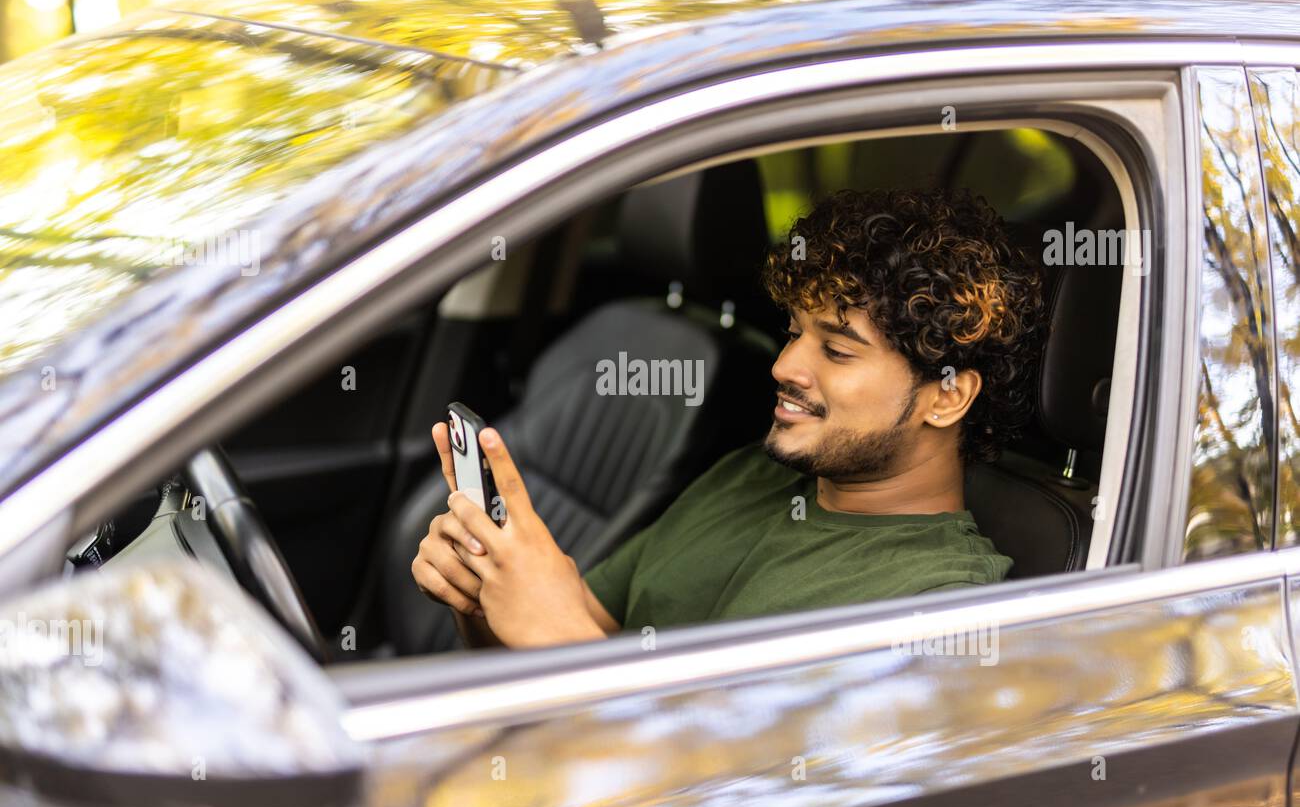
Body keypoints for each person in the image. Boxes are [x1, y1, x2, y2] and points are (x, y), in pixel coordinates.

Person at [411, 186, 1046, 648]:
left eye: (837, 349)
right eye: (794, 332)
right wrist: (484, 598)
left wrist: (565, 646)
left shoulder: (940, 608)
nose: (785, 366)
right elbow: (581, 631)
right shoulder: (749, 476)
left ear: (947, 396)